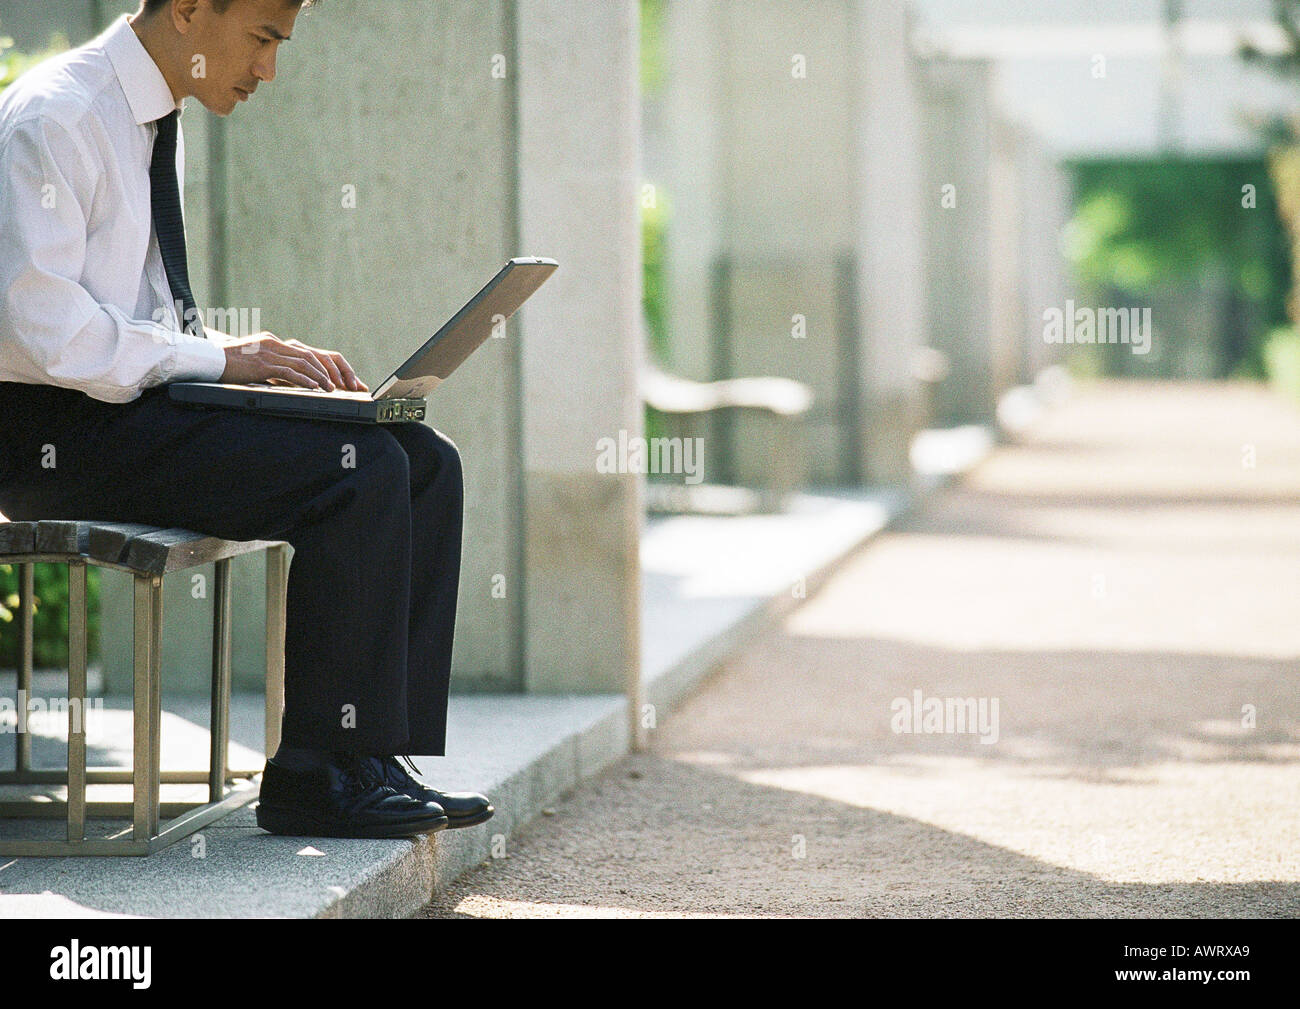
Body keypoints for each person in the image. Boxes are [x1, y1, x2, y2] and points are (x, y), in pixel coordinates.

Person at [0, 0, 492, 839]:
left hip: (118, 412)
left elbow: (142, 328)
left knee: (416, 456)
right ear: (190, 10)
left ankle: (368, 756)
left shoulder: (151, 115)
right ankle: (312, 774)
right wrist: (225, 364)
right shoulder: (58, 115)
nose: (269, 69)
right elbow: (43, 329)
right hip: (47, 435)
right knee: (359, 470)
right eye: (263, 38)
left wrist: (251, 365)